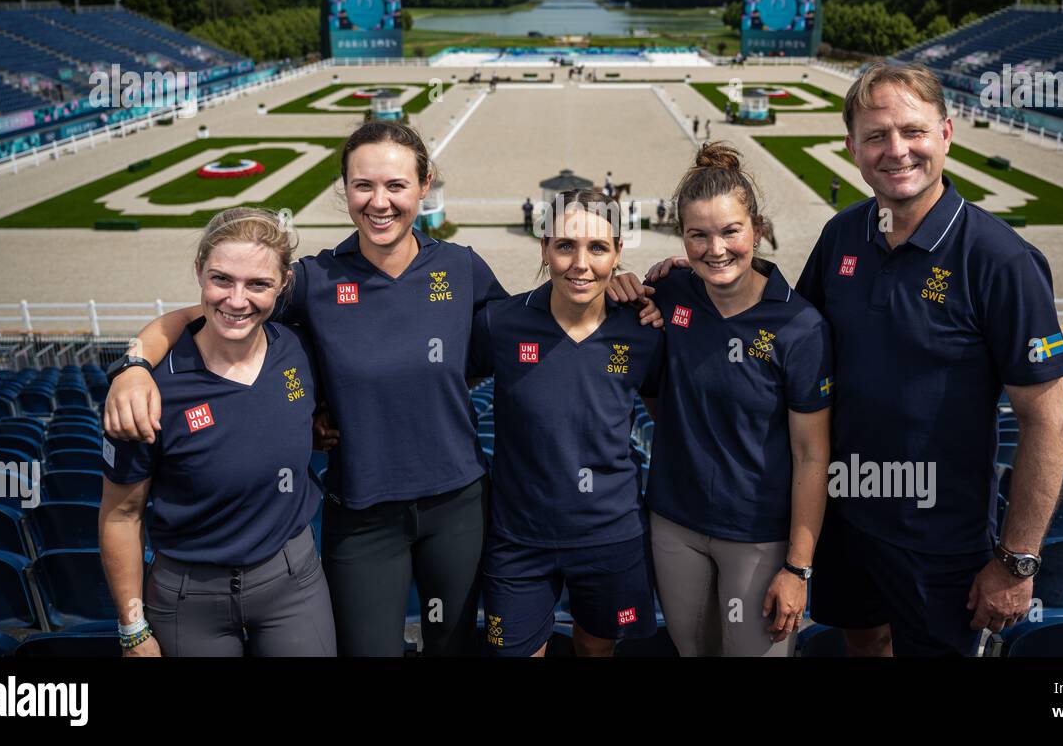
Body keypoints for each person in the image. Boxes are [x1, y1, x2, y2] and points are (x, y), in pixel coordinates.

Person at [104, 122, 504, 657]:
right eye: (363, 186)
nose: (378, 202)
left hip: (458, 502)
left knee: (451, 646)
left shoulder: (462, 268)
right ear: (344, 189)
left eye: (396, 186)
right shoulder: (315, 280)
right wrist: (134, 364)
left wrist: (623, 286)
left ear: (425, 185)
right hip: (363, 511)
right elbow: (215, 310)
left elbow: (514, 337)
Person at [796, 62, 1063, 656]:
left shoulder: (1002, 261)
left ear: (946, 134)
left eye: (913, 131)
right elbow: (787, 334)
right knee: (863, 642)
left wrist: (1017, 562)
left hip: (938, 538)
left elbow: (1047, 420)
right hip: (845, 514)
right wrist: (698, 279)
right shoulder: (842, 235)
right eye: (875, 136)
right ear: (851, 148)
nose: (896, 151)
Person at [622, 144, 832, 656]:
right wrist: (619, 282)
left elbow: (812, 455)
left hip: (759, 536)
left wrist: (797, 567)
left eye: (730, 231)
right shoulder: (670, 294)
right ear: (682, 239)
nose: (716, 249)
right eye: (698, 235)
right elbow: (658, 393)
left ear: (756, 229)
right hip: (674, 521)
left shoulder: (800, 327)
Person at [98, 208, 335, 656]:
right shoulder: (146, 391)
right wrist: (132, 628)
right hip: (187, 596)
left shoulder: (301, 350)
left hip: (293, 582)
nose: (236, 299)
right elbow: (120, 516)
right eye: (221, 279)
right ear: (198, 272)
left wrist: (313, 430)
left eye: (258, 284)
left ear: (284, 284)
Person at [469, 191, 665, 657]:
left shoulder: (643, 328)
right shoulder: (500, 322)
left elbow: (664, 414)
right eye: (564, 246)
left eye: (598, 248)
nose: (580, 263)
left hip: (610, 533)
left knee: (597, 649)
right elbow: (449, 388)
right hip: (518, 536)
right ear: (543, 248)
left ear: (618, 252)